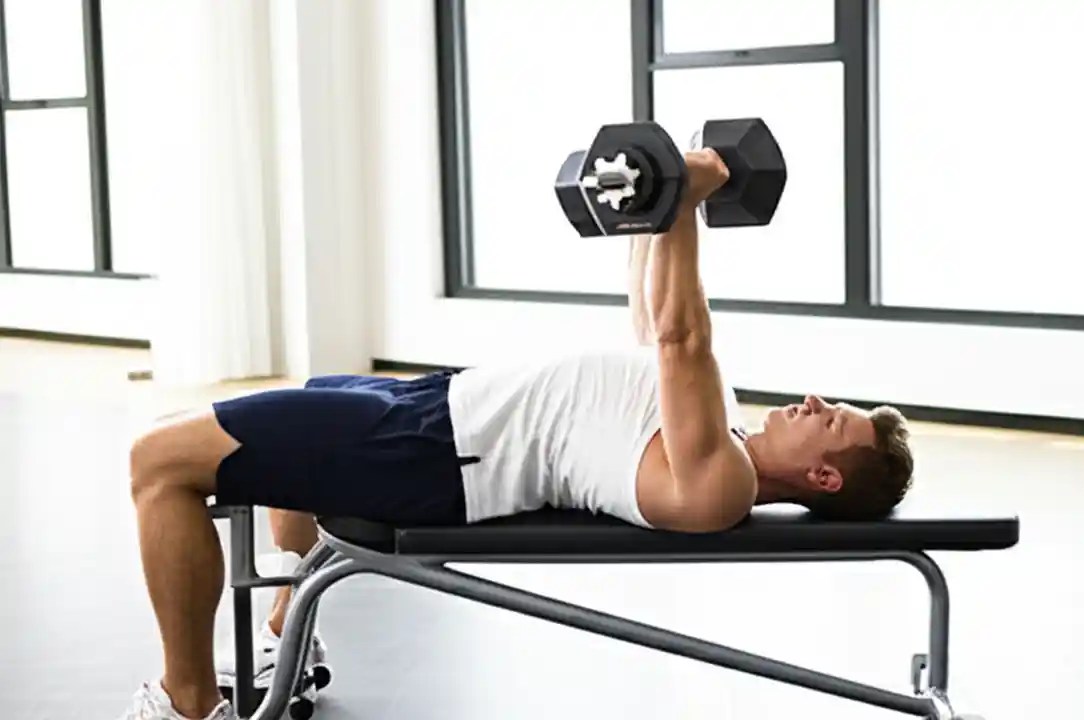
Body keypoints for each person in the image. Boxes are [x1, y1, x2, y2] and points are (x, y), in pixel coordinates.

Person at [118, 149, 915, 720]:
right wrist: (654, 200)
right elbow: (650, 318)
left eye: (832, 420)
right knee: (299, 408)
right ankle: (287, 641)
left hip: (433, 453)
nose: (814, 402)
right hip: (434, 412)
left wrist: (685, 197)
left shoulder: (720, 484)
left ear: (825, 480)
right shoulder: (718, 427)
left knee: (159, 460)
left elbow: (682, 337)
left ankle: (188, 705)